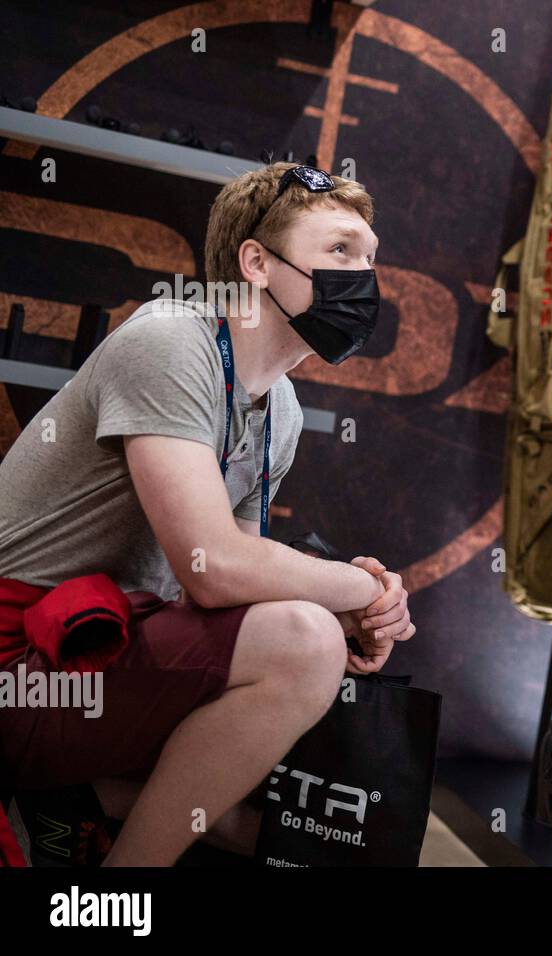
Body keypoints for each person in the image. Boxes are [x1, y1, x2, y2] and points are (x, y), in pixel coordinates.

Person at [0, 162, 414, 866]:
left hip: (99, 645)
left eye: (370, 258)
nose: (363, 278)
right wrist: (363, 589)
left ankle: (82, 805)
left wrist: (360, 610)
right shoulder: (170, 339)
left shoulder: (279, 406)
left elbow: (221, 591)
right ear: (255, 261)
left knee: (281, 811)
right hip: (21, 658)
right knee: (305, 644)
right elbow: (214, 567)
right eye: (340, 251)